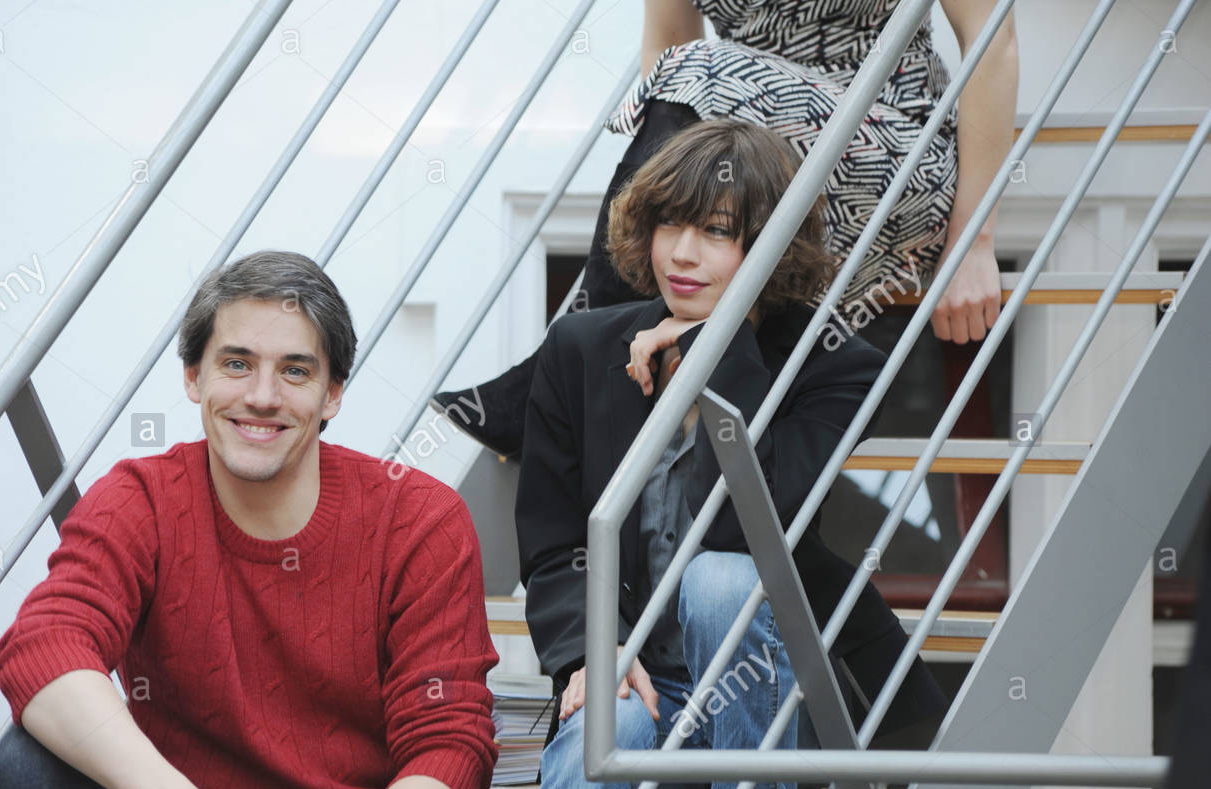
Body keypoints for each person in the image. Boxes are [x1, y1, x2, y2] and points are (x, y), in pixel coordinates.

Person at [514, 120, 947, 789]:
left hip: (779, 684)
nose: (683, 254)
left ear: (772, 248)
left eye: (716, 232)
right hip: (645, 677)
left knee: (720, 580)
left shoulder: (834, 366)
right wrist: (597, 649)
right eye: (670, 224)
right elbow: (555, 543)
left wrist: (709, 362)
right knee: (600, 732)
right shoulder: (580, 350)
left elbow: (761, 518)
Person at [0, 250, 505, 789]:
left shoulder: (419, 519)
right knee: (26, 766)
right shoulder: (140, 500)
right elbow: (45, 647)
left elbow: (450, 743)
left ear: (332, 393)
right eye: (236, 364)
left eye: (295, 371)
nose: (262, 396)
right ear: (193, 378)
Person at [433, 0, 1017, 458]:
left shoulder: (714, 73)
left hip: (892, 149)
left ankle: (550, 384)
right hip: (748, 151)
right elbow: (668, 49)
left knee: (697, 68)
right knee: (686, 78)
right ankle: (569, 379)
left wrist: (976, 242)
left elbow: (992, 39)